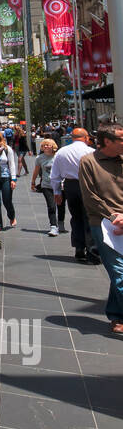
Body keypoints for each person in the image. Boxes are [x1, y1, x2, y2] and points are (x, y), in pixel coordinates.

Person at [77, 121, 123, 335]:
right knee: (119, 272)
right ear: (107, 141)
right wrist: (115, 217)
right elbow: (90, 197)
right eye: (121, 139)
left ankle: (116, 315)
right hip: (104, 224)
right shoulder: (89, 162)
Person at [50, 126, 98, 263]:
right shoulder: (91, 152)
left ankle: (79, 247)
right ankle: (92, 252)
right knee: (90, 218)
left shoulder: (62, 152)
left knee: (76, 217)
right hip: (87, 186)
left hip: (70, 186)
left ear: (72, 138)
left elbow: (55, 175)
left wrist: (57, 192)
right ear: (86, 138)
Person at [32, 138, 66, 235]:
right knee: (51, 206)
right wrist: (33, 181)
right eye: (44, 145)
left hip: (60, 185)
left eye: (48, 145)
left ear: (53, 146)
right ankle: (53, 226)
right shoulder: (39, 158)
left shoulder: (59, 156)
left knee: (61, 205)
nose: (46, 146)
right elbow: (36, 170)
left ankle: (61, 223)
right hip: (46, 185)